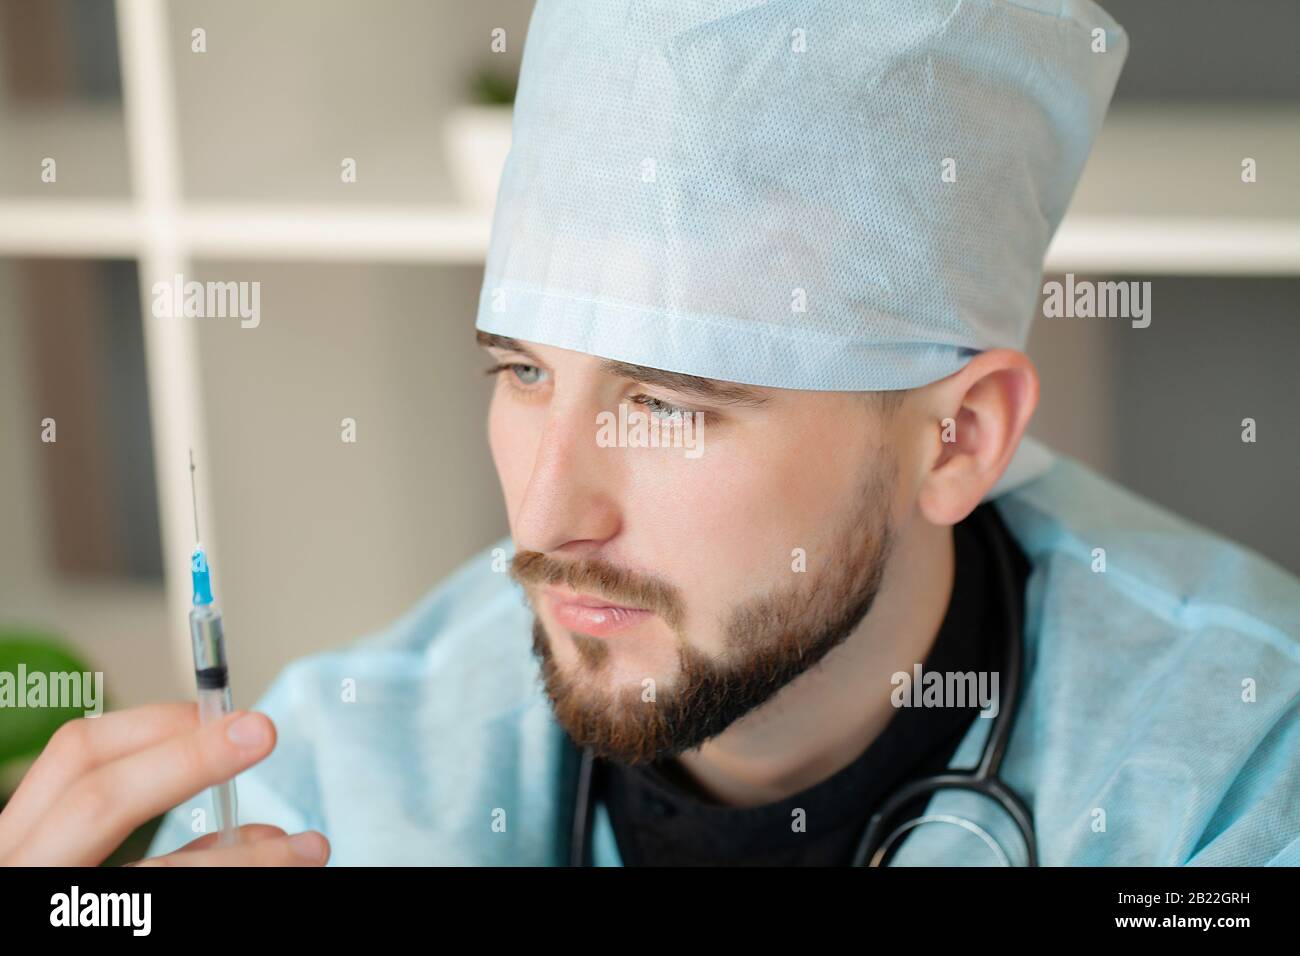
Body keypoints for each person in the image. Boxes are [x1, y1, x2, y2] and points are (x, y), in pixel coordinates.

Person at [4, 0, 1296, 867]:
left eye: (669, 403)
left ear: (954, 439)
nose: (546, 516)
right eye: (522, 372)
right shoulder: (337, 781)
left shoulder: (1237, 776)